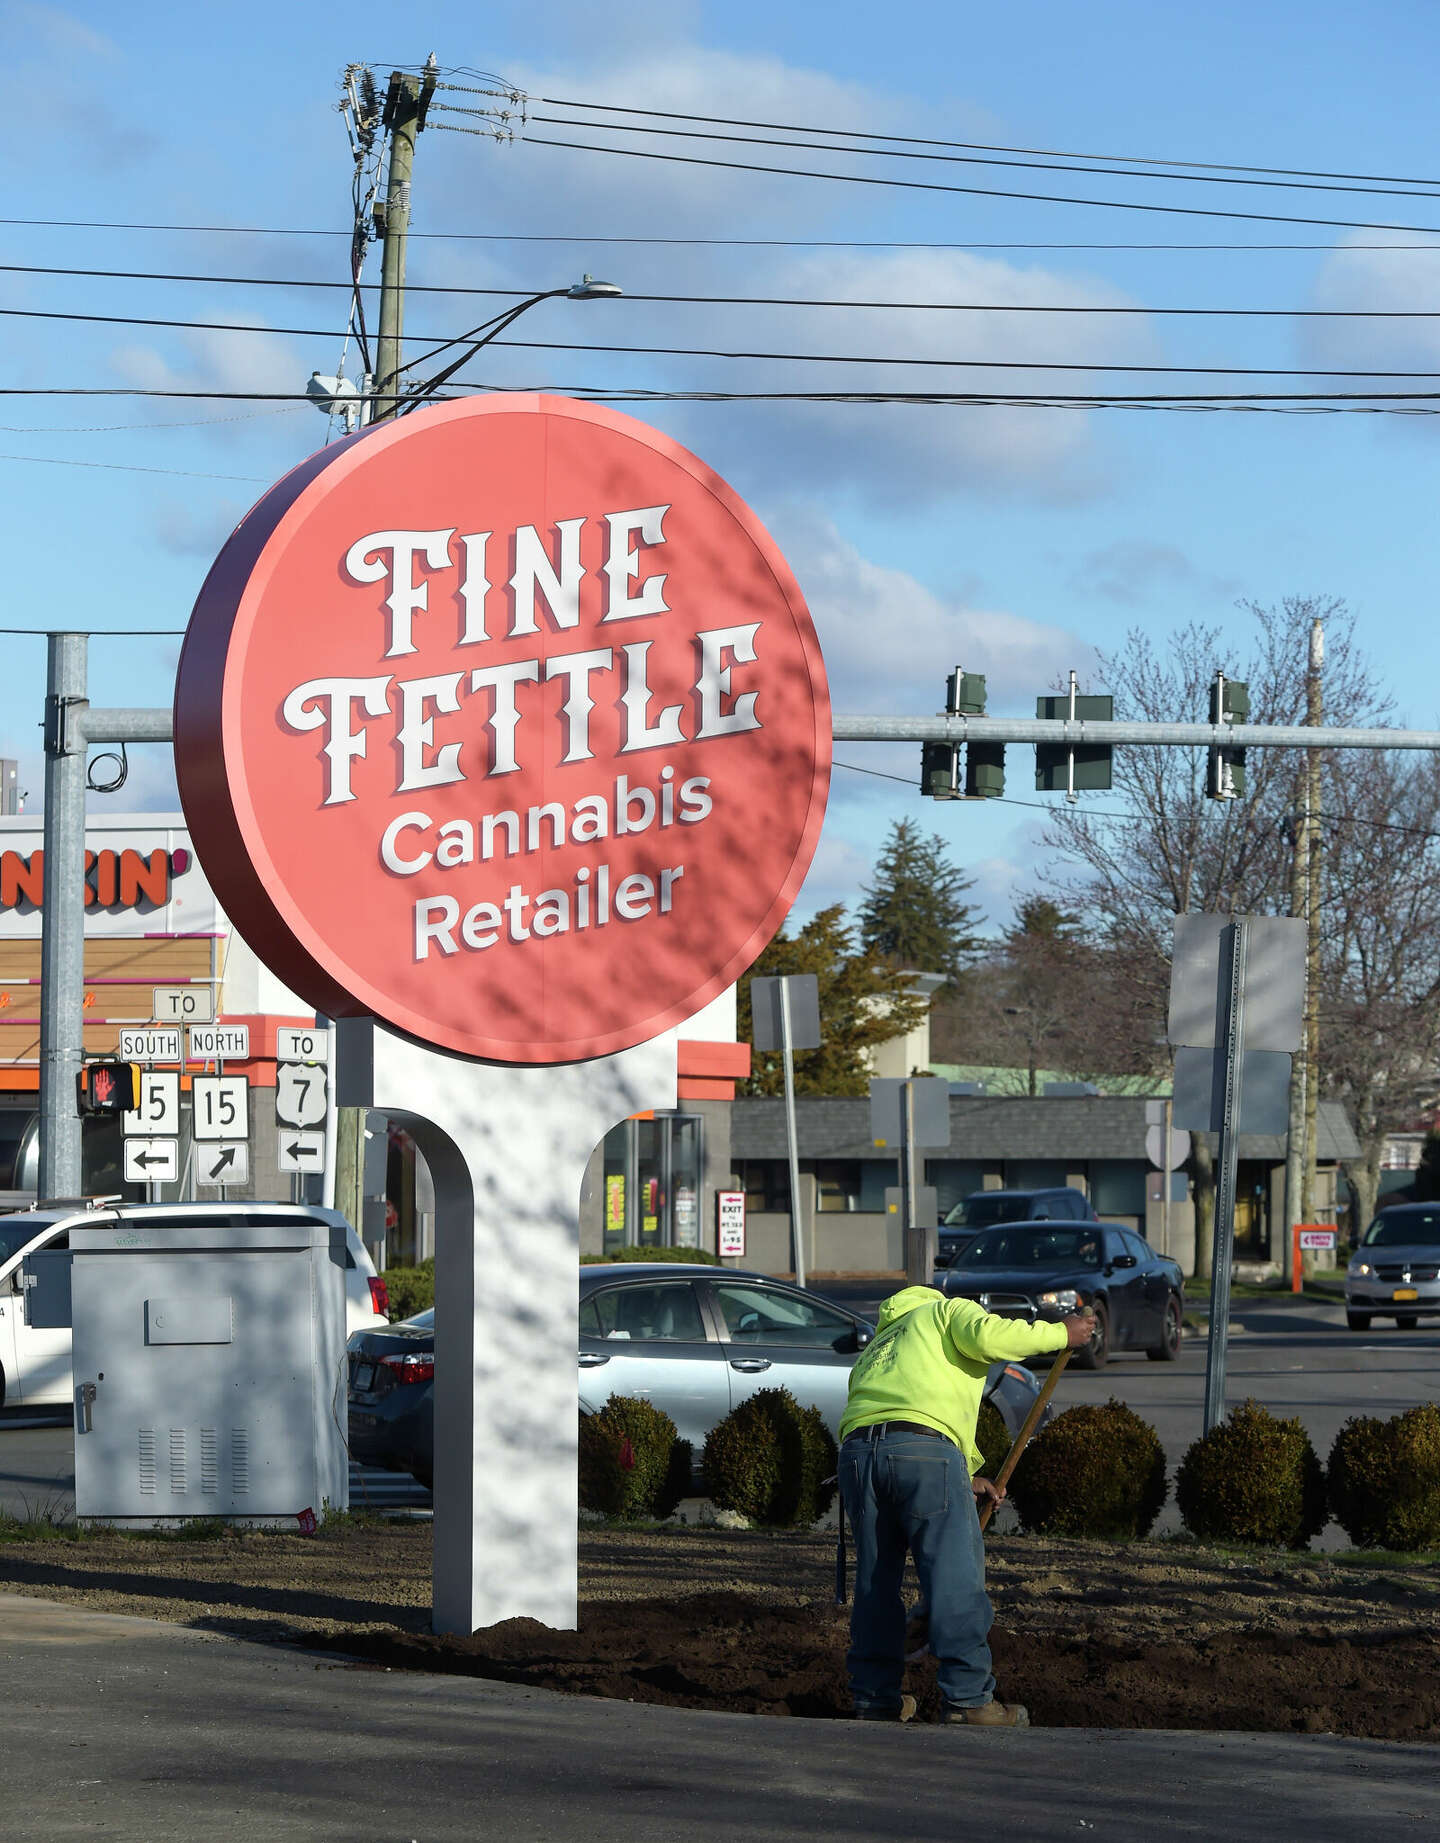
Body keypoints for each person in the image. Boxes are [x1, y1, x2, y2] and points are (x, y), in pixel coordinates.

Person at [838, 1283, 1095, 1726]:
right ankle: (969, 1700)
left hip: (859, 1457)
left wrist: (961, 1476)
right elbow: (994, 1337)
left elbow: (898, 1418)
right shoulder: (944, 1313)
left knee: (876, 1584)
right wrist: (1061, 1334)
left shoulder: (883, 1341)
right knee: (955, 1579)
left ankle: (874, 1698)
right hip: (922, 1452)